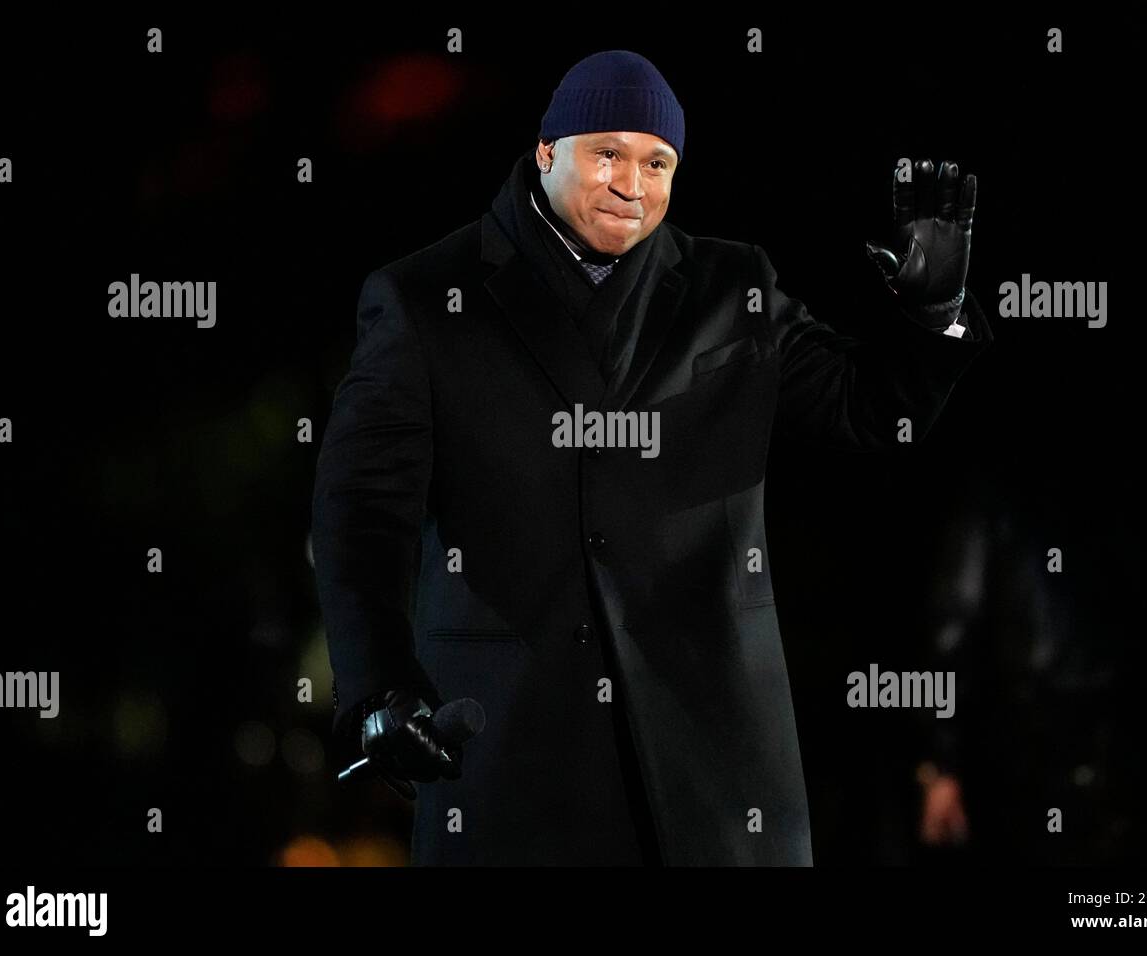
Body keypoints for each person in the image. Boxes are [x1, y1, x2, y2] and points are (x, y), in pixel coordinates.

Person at [312, 49, 993, 865]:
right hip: (513, 749)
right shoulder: (425, 297)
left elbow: (871, 410)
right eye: (607, 153)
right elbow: (362, 519)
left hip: (716, 762)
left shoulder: (732, 284)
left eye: (657, 162)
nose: (632, 185)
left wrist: (932, 311)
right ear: (545, 153)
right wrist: (380, 689)